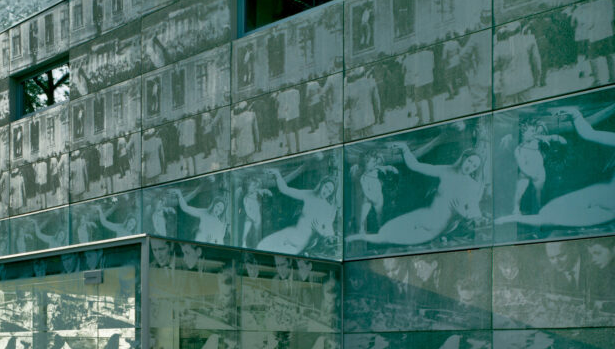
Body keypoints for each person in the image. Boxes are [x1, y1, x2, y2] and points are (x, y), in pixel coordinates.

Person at [348, 142, 486, 247]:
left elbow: (474, 214)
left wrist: (462, 212)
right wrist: (405, 149)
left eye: (474, 166)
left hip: (434, 229)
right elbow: (415, 166)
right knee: (386, 230)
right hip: (423, 215)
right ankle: (356, 238)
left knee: (390, 238)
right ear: (464, 158)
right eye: (470, 161)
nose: (470, 166)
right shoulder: (446, 171)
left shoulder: (472, 185)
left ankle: (356, 238)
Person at [497, 107, 615, 229]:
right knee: (548, 210)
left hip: (610, 208)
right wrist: (576, 115)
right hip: (601, 193)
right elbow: (589, 134)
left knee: (549, 219)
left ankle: (512, 219)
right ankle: (514, 217)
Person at [257, 171, 337, 255]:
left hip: (300, 242)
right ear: (322, 184)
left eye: (329, 191)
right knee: (262, 245)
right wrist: (278, 175)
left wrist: (320, 231)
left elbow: (330, 232)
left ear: (331, 194)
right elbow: (285, 190)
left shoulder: (327, 207)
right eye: (326, 187)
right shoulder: (309, 194)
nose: (326, 191)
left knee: (275, 254)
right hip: (291, 232)